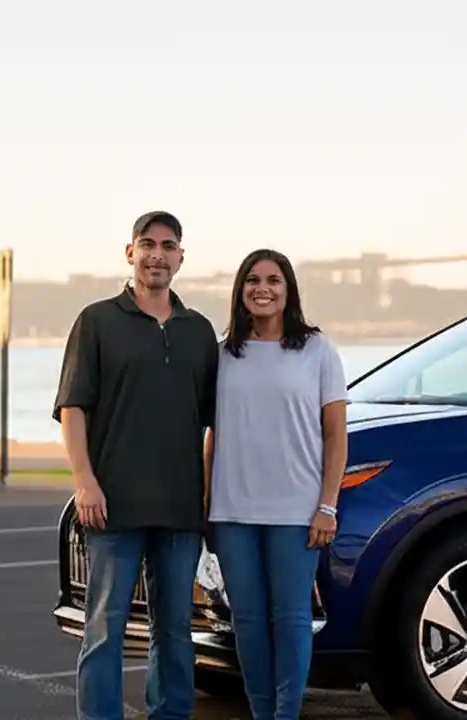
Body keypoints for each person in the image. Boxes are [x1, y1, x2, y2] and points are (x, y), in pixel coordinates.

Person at [53, 210, 218, 719]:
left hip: (180, 510)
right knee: (105, 627)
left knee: (174, 631)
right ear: (131, 253)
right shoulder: (97, 321)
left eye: (169, 246)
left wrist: (209, 496)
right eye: (148, 244)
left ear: (181, 258)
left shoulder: (199, 331)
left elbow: (215, 424)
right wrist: (85, 483)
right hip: (113, 506)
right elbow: (73, 408)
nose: (157, 255)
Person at [204, 248, 348, 720]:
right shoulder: (224, 354)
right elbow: (213, 435)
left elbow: (335, 435)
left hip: (296, 511)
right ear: (240, 291)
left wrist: (327, 505)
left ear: (288, 290)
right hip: (232, 513)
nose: (262, 288)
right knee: (246, 623)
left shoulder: (317, 350)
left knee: (290, 621)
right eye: (252, 279)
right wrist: (207, 504)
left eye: (273, 279)